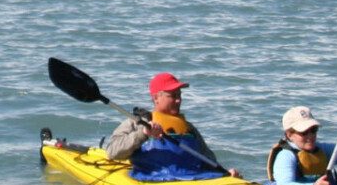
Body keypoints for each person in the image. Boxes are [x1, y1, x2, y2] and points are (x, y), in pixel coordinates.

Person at [103, 72, 241, 179]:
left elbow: (207, 159)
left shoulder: (189, 128)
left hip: (193, 178)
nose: (178, 100)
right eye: (173, 95)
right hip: (153, 179)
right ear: (156, 98)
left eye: (179, 95)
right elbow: (112, 151)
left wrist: (225, 173)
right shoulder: (137, 123)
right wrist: (143, 134)